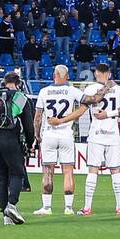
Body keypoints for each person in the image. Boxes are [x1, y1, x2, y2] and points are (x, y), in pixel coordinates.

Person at [58, 63, 120, 217]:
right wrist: (111, 114)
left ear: (96, 73)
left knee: (93, 170)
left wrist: (64, 120)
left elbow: (83, 109)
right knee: (116, 170)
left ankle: (87, 208)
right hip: (113, 135)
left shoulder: (90, 89)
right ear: (109, 73)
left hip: (96, 134)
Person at [0, 71, 36, 225]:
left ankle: (5, 215)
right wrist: (30, 143)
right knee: (17, 172)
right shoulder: (20, 98)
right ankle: (11, 205)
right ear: (18, 84)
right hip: (10, 138)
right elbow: (28, 126)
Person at [32, 65, 84, 216]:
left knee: (48, 170)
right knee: (68, 171)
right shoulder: (72, 90)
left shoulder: (44, 91)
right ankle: (68, 208)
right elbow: (86, 102)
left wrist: (37, 135)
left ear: (54, 75)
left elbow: (37, 117)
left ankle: (46, 207)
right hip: (66, 133)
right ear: (66, 76)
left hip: (49, 134)